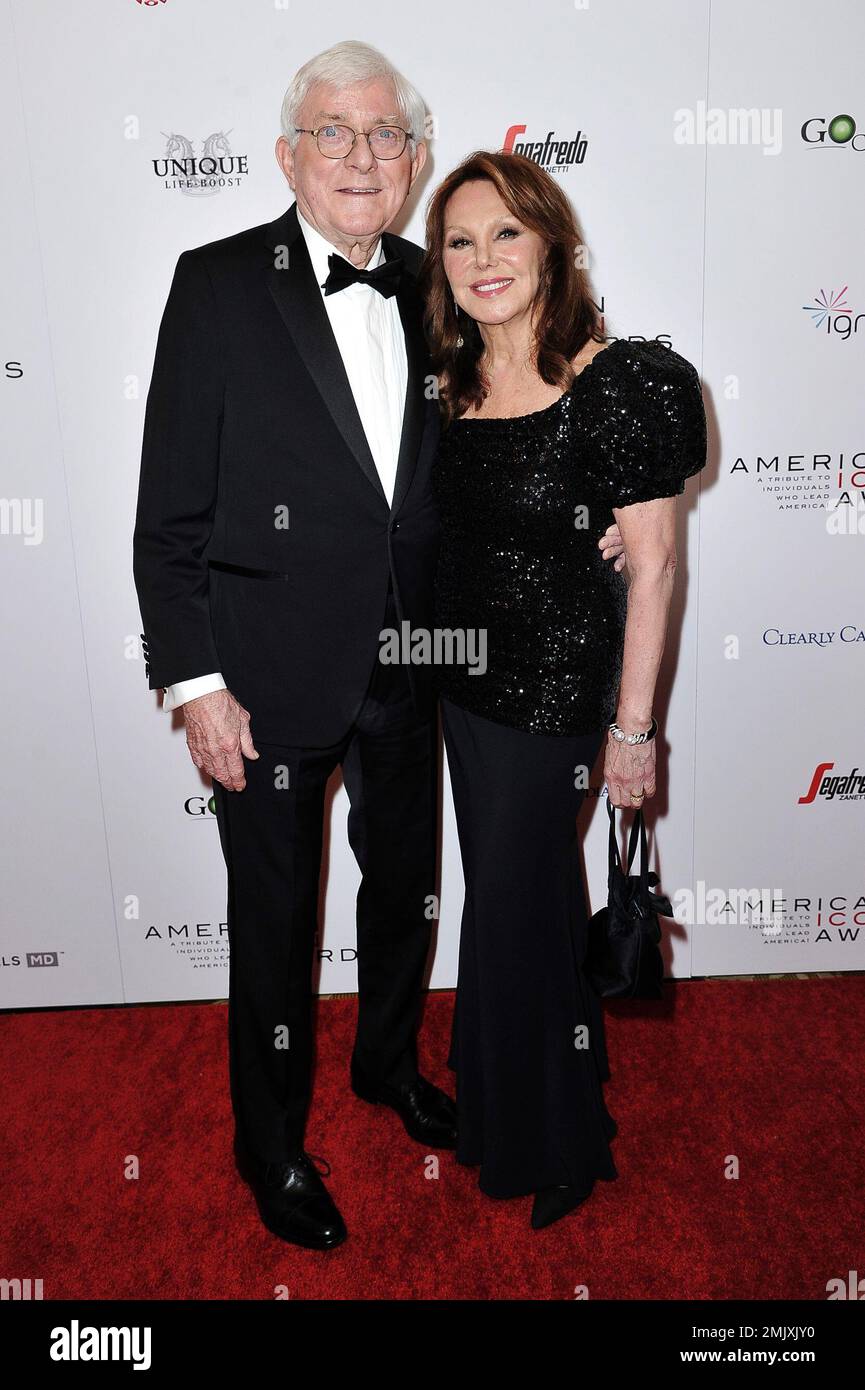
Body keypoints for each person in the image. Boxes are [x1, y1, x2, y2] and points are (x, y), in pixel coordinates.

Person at [133, 42, 627, 1251]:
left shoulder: (438, 281)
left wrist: (603, 513)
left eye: (385, 136)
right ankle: (271, 1144)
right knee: (275, 919)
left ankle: (390, 1067)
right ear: (287, 154)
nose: (361, 157)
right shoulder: (211, 284)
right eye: (333, 133)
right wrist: (196, 682)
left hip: (421, 665)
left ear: (412, 157)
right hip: (265, 674)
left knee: (405, 895)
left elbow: (518, 432)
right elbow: (169, 513)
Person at [419, 150, 707, 1229]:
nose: (483, 258)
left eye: (505, 234)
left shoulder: (616, 380)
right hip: (462, 688)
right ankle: (502, 1107)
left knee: (528, 906)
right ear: (438, 263)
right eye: (459, 239)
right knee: (507, 901)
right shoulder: (443, 382)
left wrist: (633, 732)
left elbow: (656, 566)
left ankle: (563, 1139)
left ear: (551, 245)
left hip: (554, 697)